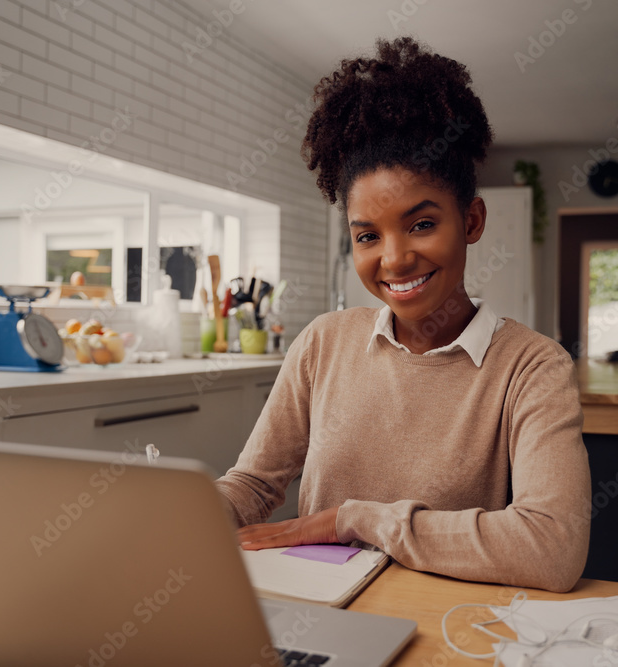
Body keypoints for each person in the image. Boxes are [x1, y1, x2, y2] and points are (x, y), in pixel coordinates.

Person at [215, 37, 591, 592]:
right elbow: (250, 487)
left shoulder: (532, 368)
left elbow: (552, 548)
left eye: (421, 224)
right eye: (368, 235)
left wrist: (355, 520)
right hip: (320, 612)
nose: (394, 259)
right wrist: (185, 516)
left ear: (472, 221)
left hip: (447, 627)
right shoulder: (323, 343)